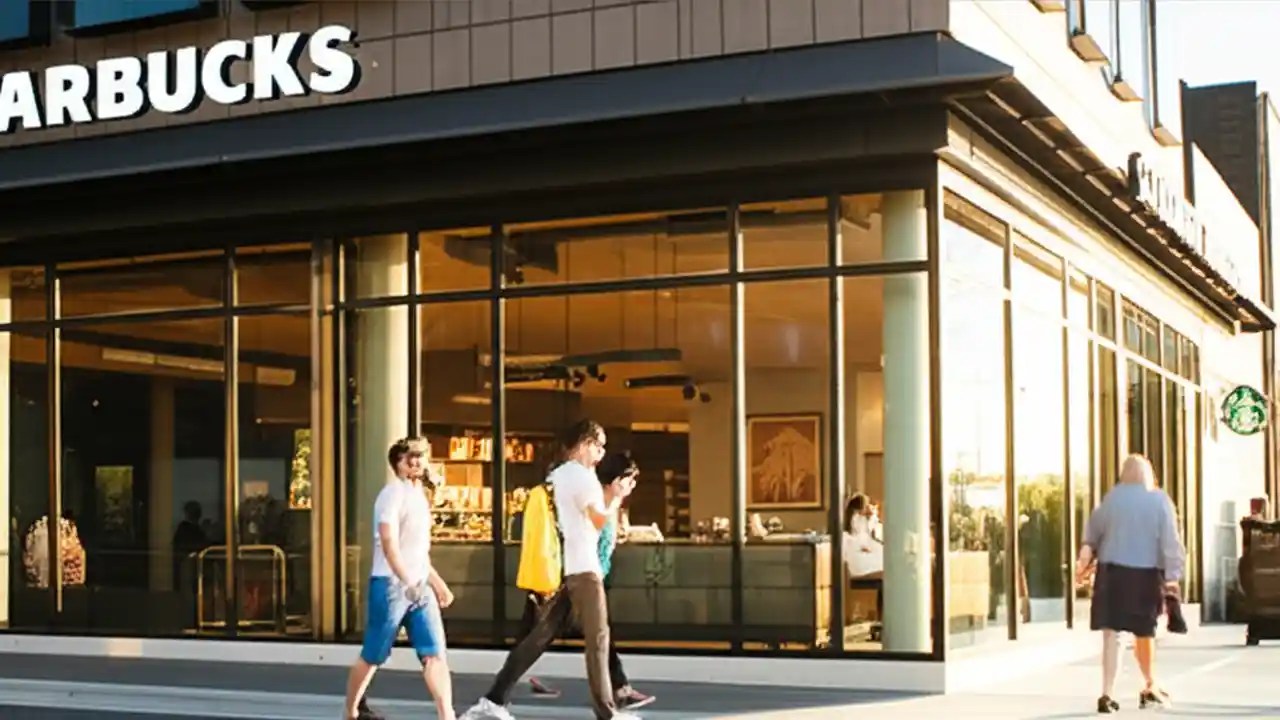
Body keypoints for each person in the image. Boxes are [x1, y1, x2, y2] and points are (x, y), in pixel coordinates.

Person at [461, 420, 640, 720]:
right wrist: (618, 496)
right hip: (584, 569)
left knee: (539, 638)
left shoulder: (557, 475)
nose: (601, 452)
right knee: (598, 640)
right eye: (599, 445)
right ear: (585, 443)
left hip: (564, 568)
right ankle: (607, 712)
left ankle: (494, 700)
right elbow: (598, 522)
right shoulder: (584, 479)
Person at [522, 452, 654, 710]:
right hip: (578, 577)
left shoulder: (605, 503)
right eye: (630, 479)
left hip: (588, 575)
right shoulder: (595, 501)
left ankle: (503, 689)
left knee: (555, 632)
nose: (632, 485)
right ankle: (616, 693)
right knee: (587, 635)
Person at [343, 437, 456, 720]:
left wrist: (436, 582)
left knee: (435, 654)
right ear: (398, 464)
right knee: (373, 655)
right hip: (391, 585)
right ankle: (351, 711)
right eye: (410, 458)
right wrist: (408, 580)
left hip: (419, 587)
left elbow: (417, 552)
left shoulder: (420, 498)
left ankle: (447, 715)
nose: (417, 462)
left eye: (421, 456)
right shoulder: (392, 495)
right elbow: (388, 542)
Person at [1075, 454, 1185, 714]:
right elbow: (1171, 542)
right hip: (1144, 575)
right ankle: (1149, 685)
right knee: (1144, 631)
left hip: (1111, 573)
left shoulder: (1111, 500)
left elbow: (1091, 537)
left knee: (1111, 634)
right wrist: (1173, 577)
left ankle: (1107, 693)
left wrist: (1082, 567)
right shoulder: (1159, 501)